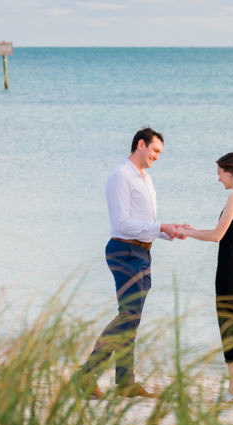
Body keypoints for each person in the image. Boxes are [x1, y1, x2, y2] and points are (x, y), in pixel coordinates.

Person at [76, 127, 184, 398]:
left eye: (159, 152)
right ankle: (87, 375)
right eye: (155, 150)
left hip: (143, 253)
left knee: (131, 320)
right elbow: (122, 224)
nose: (157, 157)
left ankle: (124, 382)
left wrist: (166, 231)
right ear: (140, 145)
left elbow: (145, 224)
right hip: (123, 251)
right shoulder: (120, 176)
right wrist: (160, 226)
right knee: (127, 317)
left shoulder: (146, 180)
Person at [176, 152, 233, 404]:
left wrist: (187, 232)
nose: (218, 178)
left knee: (229, 325)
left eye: (219, 173)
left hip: (229, 271)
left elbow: (217, 236)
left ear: (231, 171)